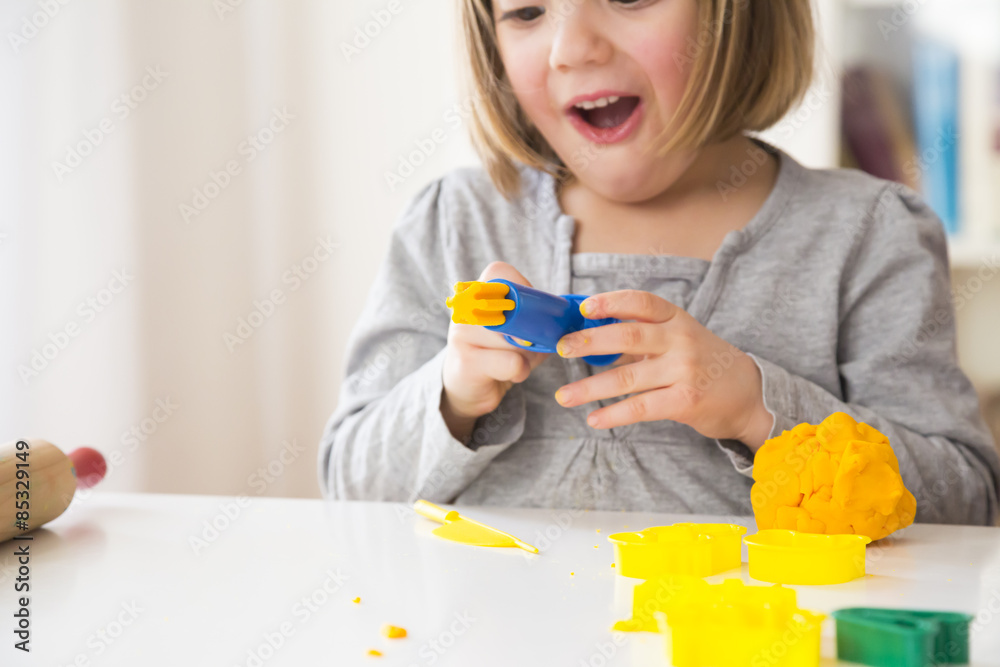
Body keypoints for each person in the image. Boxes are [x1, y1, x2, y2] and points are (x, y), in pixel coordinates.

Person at [318, 0, 1000, 525]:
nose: (571, 47)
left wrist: (758, 407)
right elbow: (350, 485)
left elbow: (963, 506)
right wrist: (453, 394)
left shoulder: (866, 234)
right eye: (526, 10)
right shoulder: (453, 222)